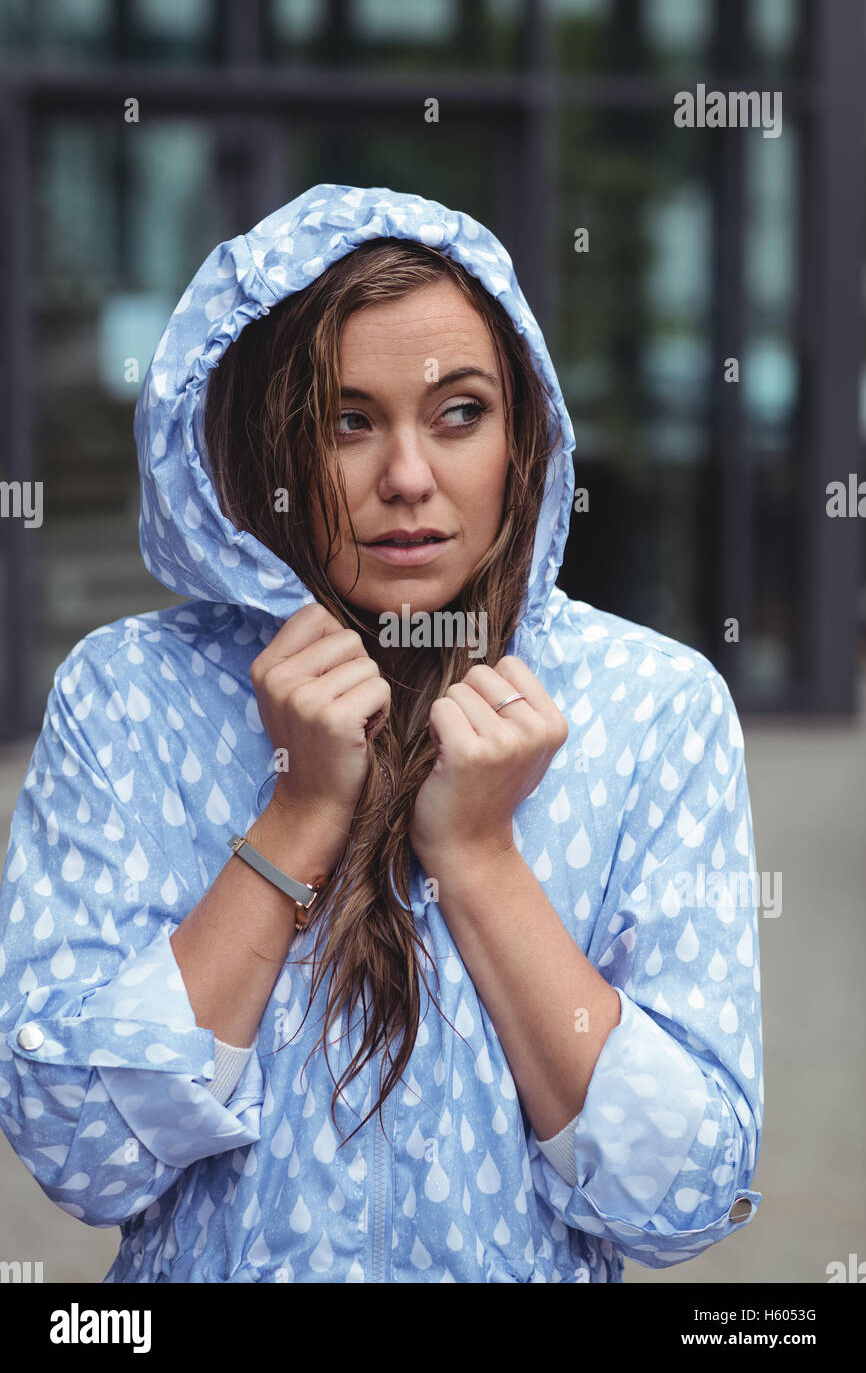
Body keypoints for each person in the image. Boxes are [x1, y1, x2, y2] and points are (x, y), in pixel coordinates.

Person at [0, 183, 763, 1284]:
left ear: (522, 433)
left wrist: (482, 859)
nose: (407, 478)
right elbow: (79, 1151)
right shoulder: (128, 697)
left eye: (458, 412)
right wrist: (300, 812)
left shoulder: (650, 706)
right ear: (264, 440)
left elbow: (686, 1197)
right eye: (346, 420)